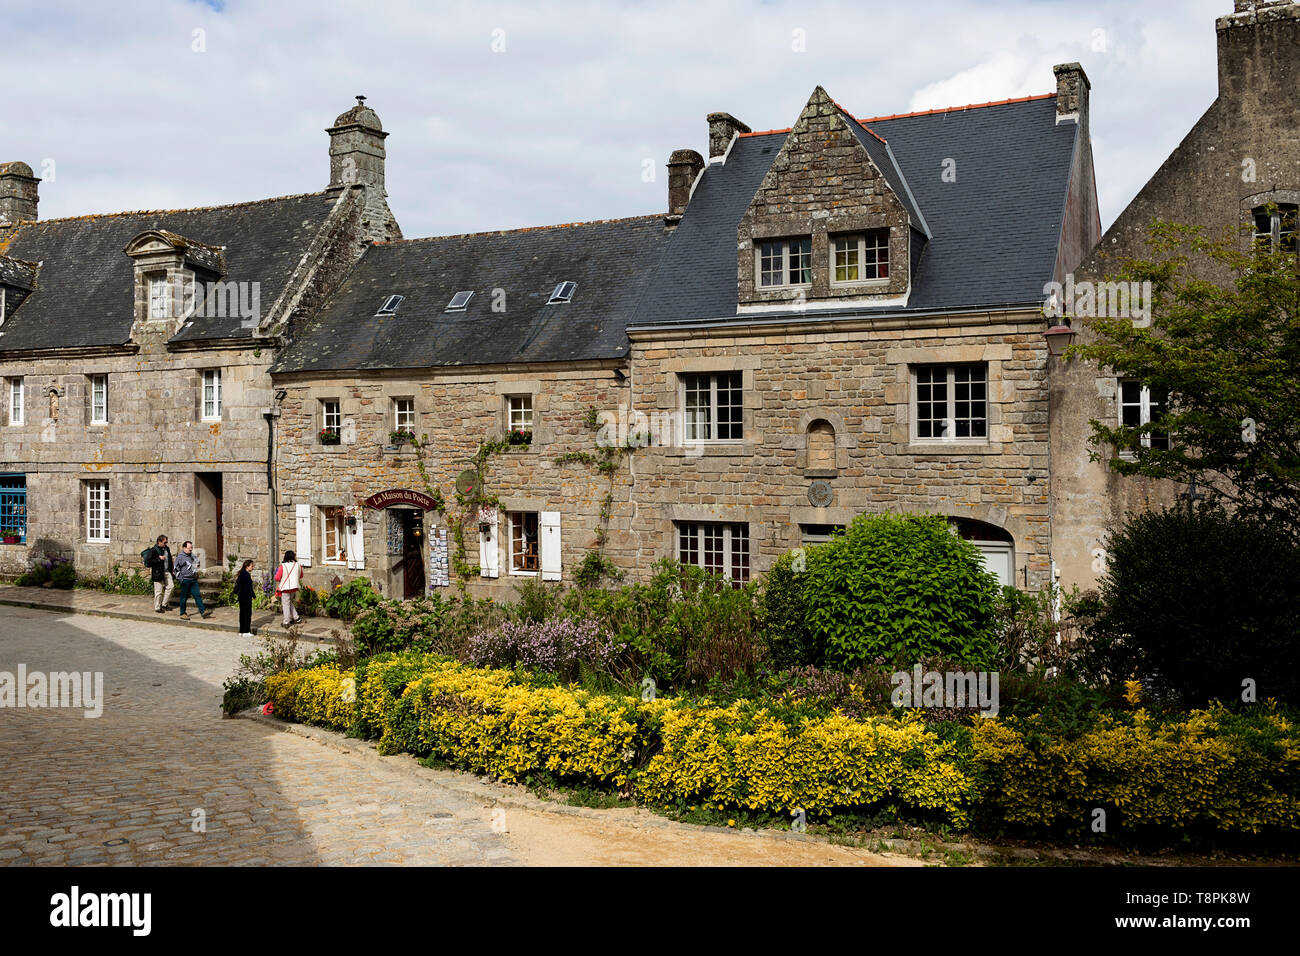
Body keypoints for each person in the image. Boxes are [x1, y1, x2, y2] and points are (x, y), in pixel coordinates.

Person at [174, 541, 212, 620]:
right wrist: (181, 579)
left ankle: (203, 611)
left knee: (197, 595)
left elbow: (197, 563)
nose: (191, 550)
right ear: (184, 548)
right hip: (185, 580)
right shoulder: (180, 557)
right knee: (184, 597)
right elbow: (175, 569)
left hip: (193, 580)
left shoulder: (192, 555)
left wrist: (197, 565)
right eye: (189, 548)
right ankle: (182, 613)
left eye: (191, 548)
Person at [145, 534, 174, 613]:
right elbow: (148, 562)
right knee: (158, 591)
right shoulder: (153, 550)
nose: (166, 544)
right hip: (158, 573)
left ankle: (164, 604)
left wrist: (172, 569)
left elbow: (170, 559)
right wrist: (158, 559)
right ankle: (157, 607)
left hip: (167, 571)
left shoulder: (167, 548)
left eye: (166, 542)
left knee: (171, 587)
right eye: (164, 542)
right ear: (159, 542)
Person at [274, 549, 302, 628]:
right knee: (289, 602)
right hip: (294, 587)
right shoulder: (298, 565)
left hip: (285, 588)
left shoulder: (283, 566)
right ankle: (297, 618)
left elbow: (277, 578)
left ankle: (286, 622)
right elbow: (301, 575)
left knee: (285, 604)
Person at [235, 559, 256, 638]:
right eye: (251, 566)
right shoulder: (246, 575)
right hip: (246, 597)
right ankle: (246, 631)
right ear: (247, 566)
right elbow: (248, 588)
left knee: (242, 614)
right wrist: (253, 596)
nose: (252, 567)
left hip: (241, 597)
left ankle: (242, 631)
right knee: (247, 614)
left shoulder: (241, 574)